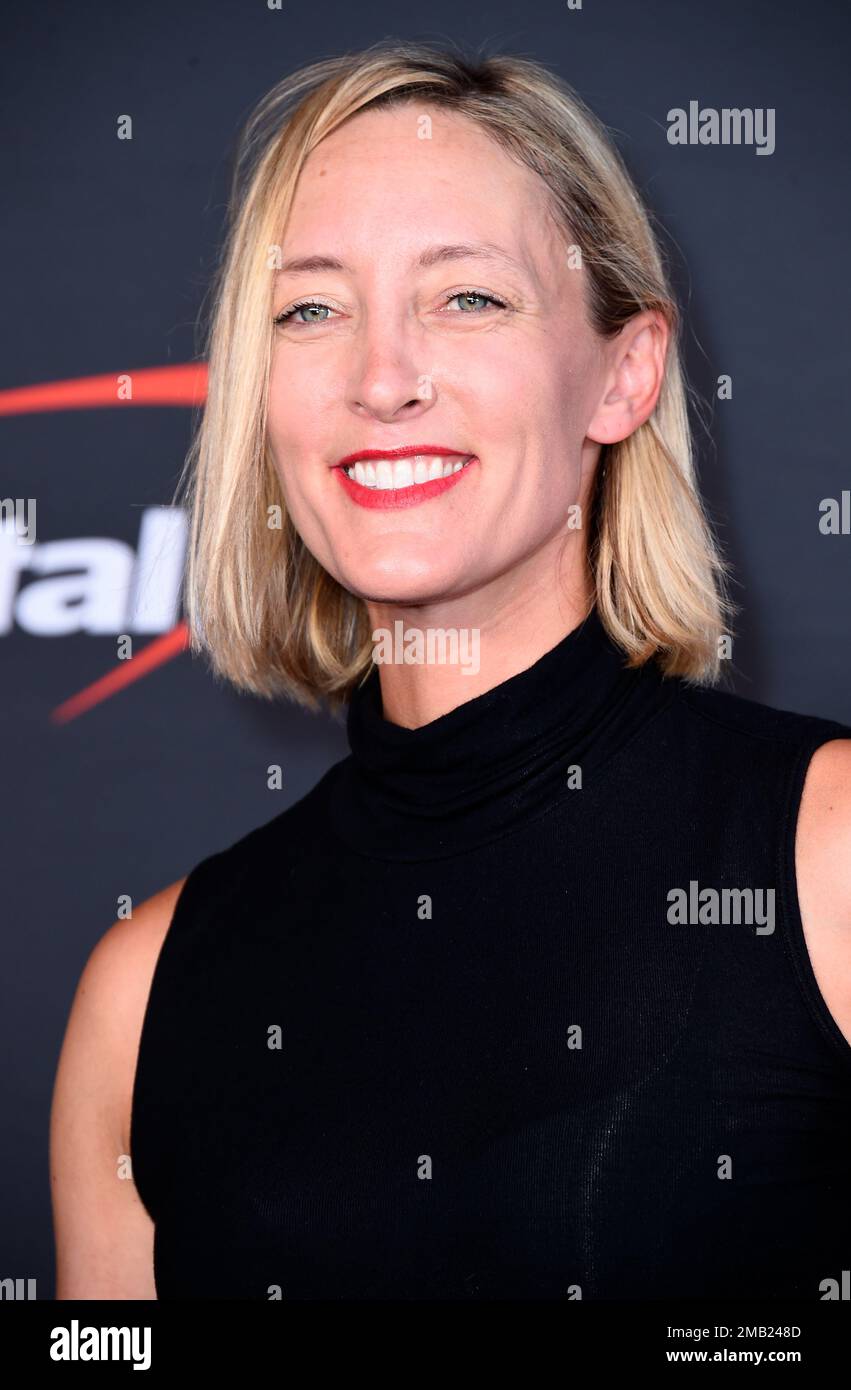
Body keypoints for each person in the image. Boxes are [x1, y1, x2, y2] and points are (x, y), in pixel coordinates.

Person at [50, 42, 851, 1301]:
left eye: (466, 297)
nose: (381, 379)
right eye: (310, 308)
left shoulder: (830, 853)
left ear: (621, 374)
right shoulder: (140, 988)